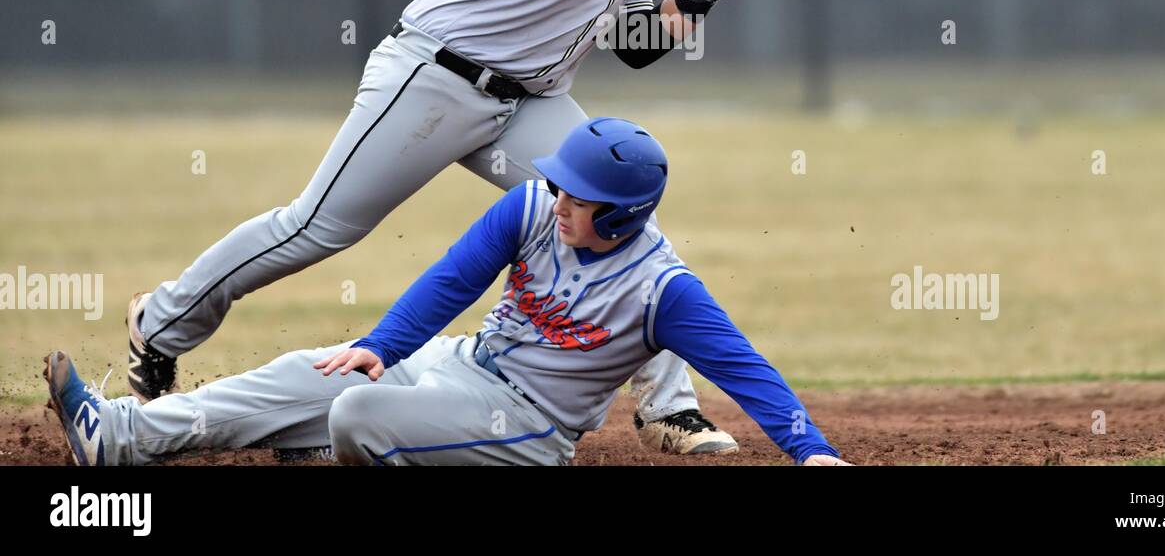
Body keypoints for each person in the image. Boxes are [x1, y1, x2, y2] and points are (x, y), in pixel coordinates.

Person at [125, 0, 746, 455]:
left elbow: (640, 44)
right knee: (319, 225)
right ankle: (162, 320)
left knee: (624, 212)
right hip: (436, 74)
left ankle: (668, 406)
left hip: (526, 104)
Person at [46, 118, 848, 466]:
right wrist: (380, 347)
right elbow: (451, 279)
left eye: (580, 194)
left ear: (626, 213)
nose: (560, 197)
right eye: (561, 184)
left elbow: (746, 368)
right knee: (323, 372)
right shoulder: (535, 206)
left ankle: (351, 439)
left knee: (355, 413)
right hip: (457, 365)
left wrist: (811, 448)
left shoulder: (662, 291)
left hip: (526, 432)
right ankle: (120, 436)